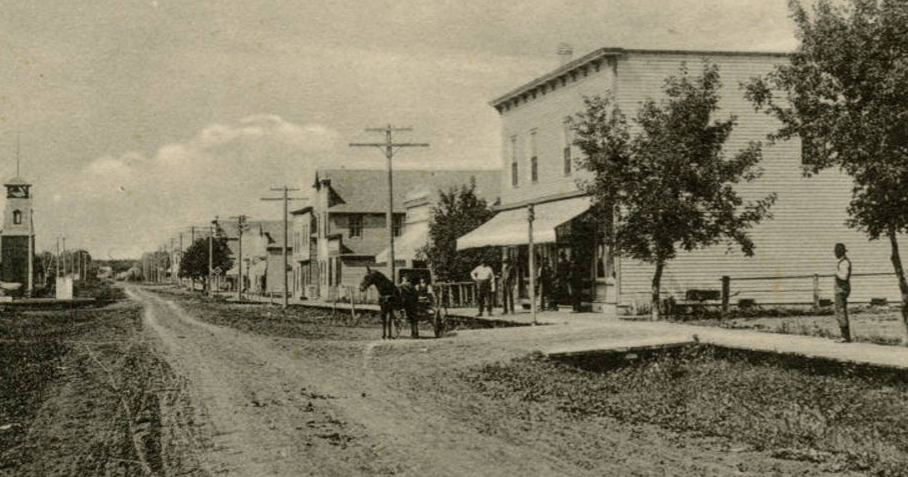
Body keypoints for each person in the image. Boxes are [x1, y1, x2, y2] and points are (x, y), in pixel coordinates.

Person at [833, 243, 852, 343]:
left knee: (840, 311)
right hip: (840, 289)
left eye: (836, 252)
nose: (835, 254)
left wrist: (836, 272)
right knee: (840, 311)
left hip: (841, 289)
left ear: (840, 252)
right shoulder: (842, 262)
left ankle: (845, 336)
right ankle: (844, 335)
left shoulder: (844, 263)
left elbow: (844, 276)